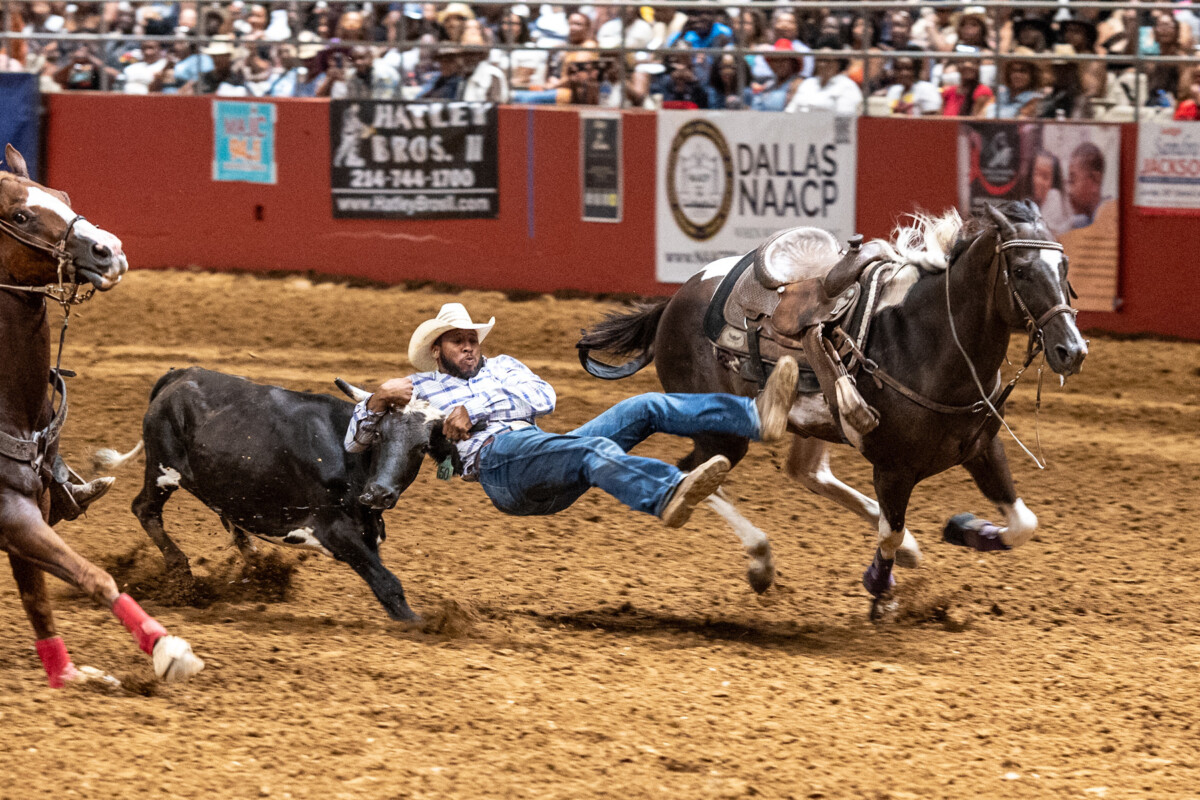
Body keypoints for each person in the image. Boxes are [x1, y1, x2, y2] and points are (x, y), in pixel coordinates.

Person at [344, 303, 800, 528]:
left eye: (472, 339)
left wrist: (475, 408)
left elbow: (543, 396)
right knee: (592, 449)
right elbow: (355, 442)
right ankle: (666, 493)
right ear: (436, 349)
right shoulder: (417, 389)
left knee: (644, 405)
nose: (468, 346)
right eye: (457, 340)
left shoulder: (504, 366)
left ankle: (756, 416)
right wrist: (378, 400)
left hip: (538, 453)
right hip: (499, 466)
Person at [785, 34, 862, 115]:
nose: (822, 64)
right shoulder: (807, 84)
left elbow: (845, 117)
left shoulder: (847, 87)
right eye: (819, 60)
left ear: (838, 63)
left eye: (827, 60)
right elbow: (791, 111)